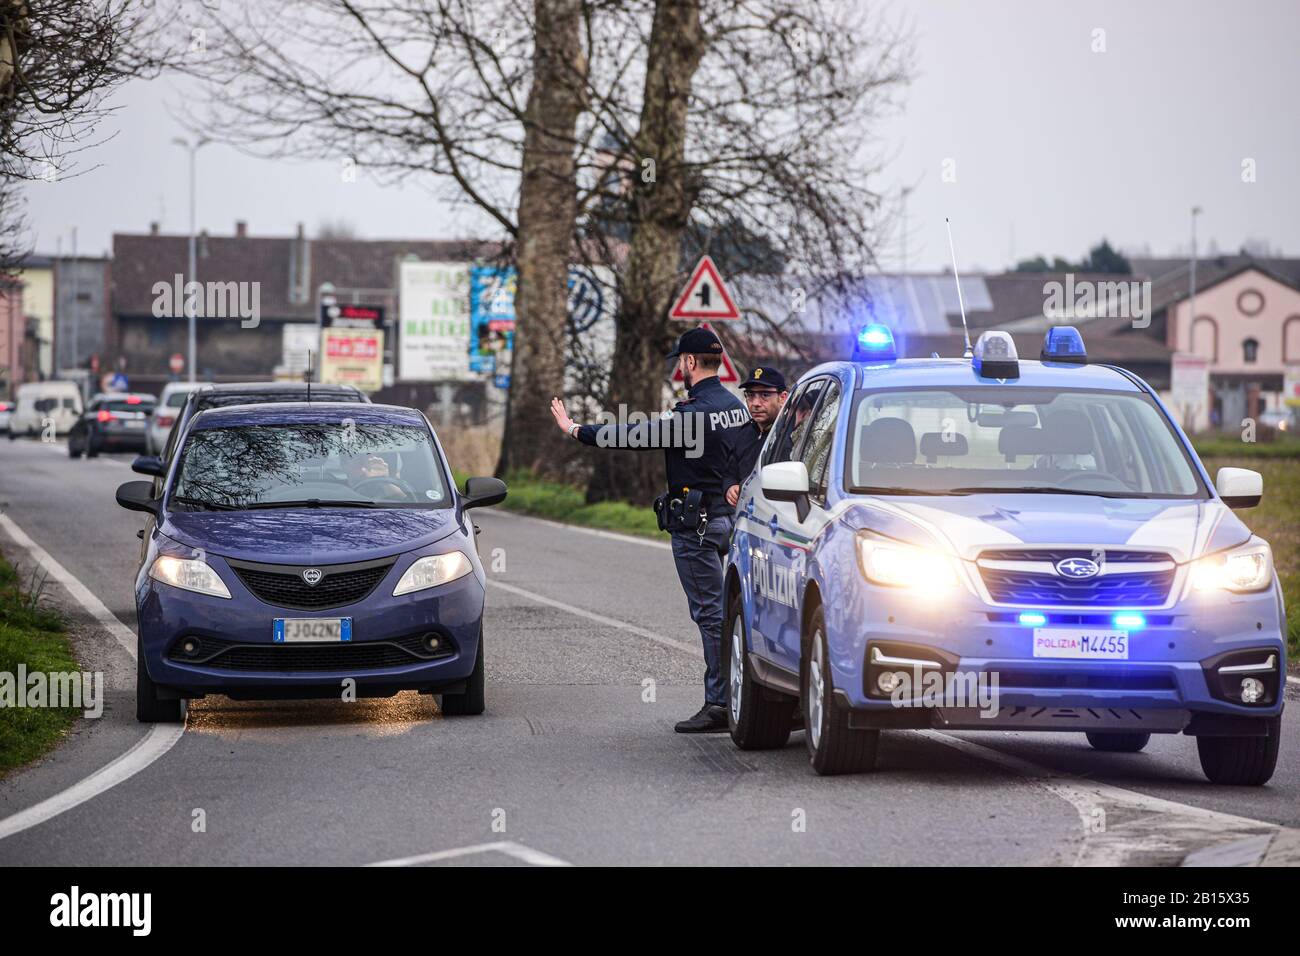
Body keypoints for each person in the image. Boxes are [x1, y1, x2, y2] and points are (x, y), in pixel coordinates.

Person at [550, 326, 754, 733]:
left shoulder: (691, 416)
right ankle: (739, 695)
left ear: (691, 362)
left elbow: (634, 435)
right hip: (728, 522)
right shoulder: (735, 406)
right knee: (731, 612)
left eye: (681, 361)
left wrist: (577, 431)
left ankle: (719, 702)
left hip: (696, 527)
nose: (680, 367)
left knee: (711, 615)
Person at [725, 365, 788, 507]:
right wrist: (730, 487)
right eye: (750, 395)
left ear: (782, 398)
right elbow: (730, 472)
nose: (755, 403)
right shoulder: (744, 433)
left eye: (765, 395)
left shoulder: (790, 435)